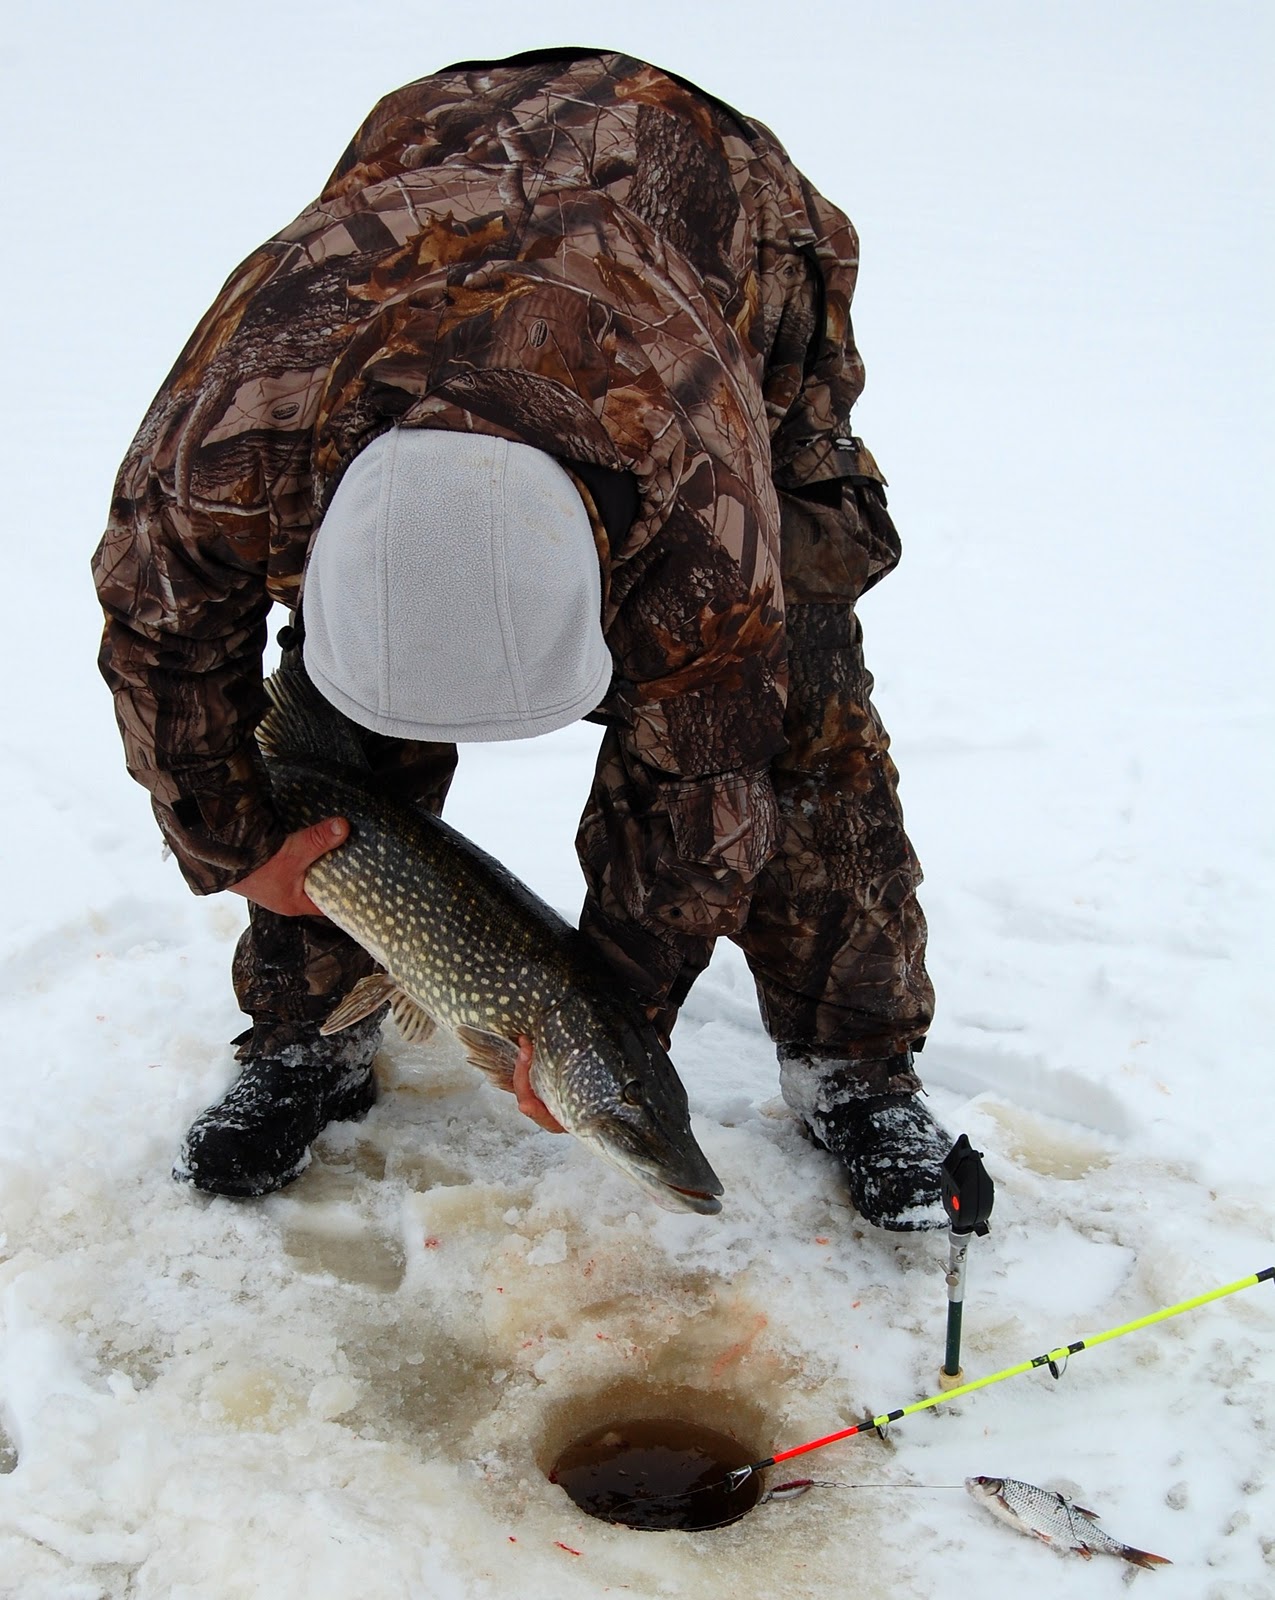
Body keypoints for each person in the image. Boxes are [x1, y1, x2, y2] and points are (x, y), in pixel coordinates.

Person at [92, 47, 948, 1228]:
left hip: (707, 200)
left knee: (792, 698)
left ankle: (854, 1059)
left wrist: (620, 1023)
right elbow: (161, 648)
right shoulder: (234, 444)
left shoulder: (701, 510)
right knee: (330, 766)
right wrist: (234, 836)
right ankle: (309, 1038)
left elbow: (701, 790)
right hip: (427, 168)